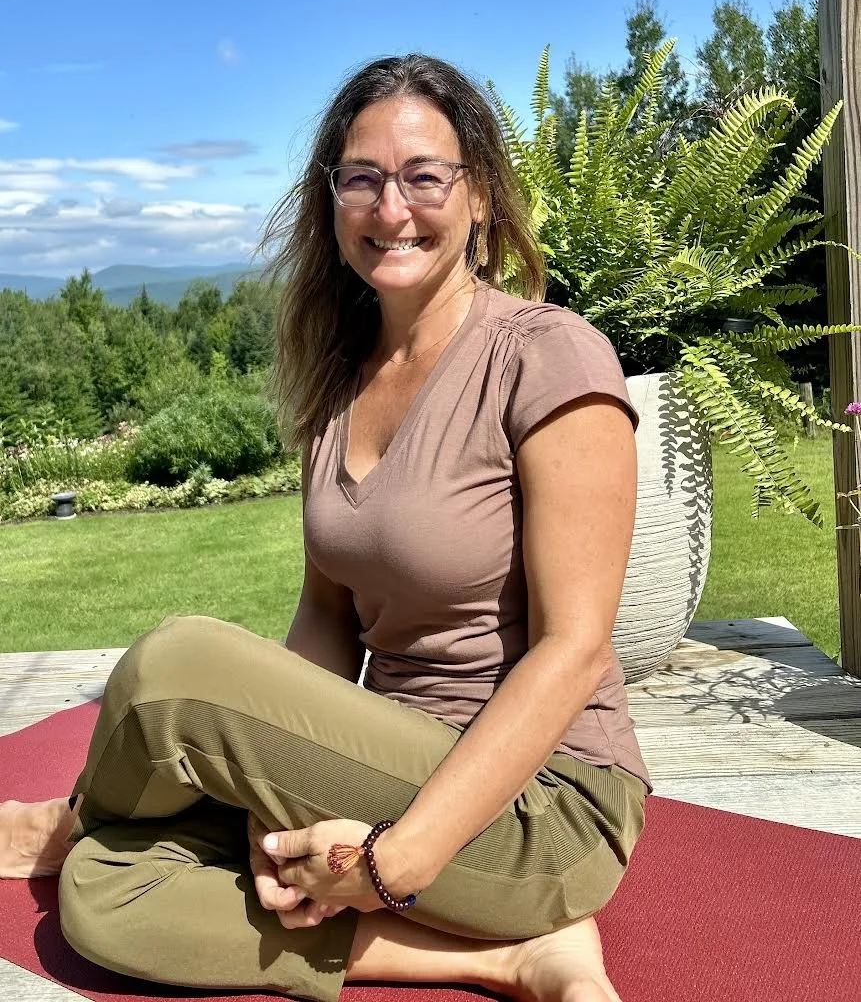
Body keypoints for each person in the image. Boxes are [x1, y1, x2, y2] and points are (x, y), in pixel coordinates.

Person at [0, 54, 650, 1002]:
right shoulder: (340, 388)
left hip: (532, 810)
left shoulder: (548, 357)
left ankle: (59, 827)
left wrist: (394, 863)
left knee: (170, 670)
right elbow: (326, 627)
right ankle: (506, 958)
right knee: (107, 891)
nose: (392, 209)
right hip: (375, 768)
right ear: (331, 198)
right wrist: (258, 777)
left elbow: (575, 649)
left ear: (481, 195)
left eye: (425, 176)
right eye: (362, 178)